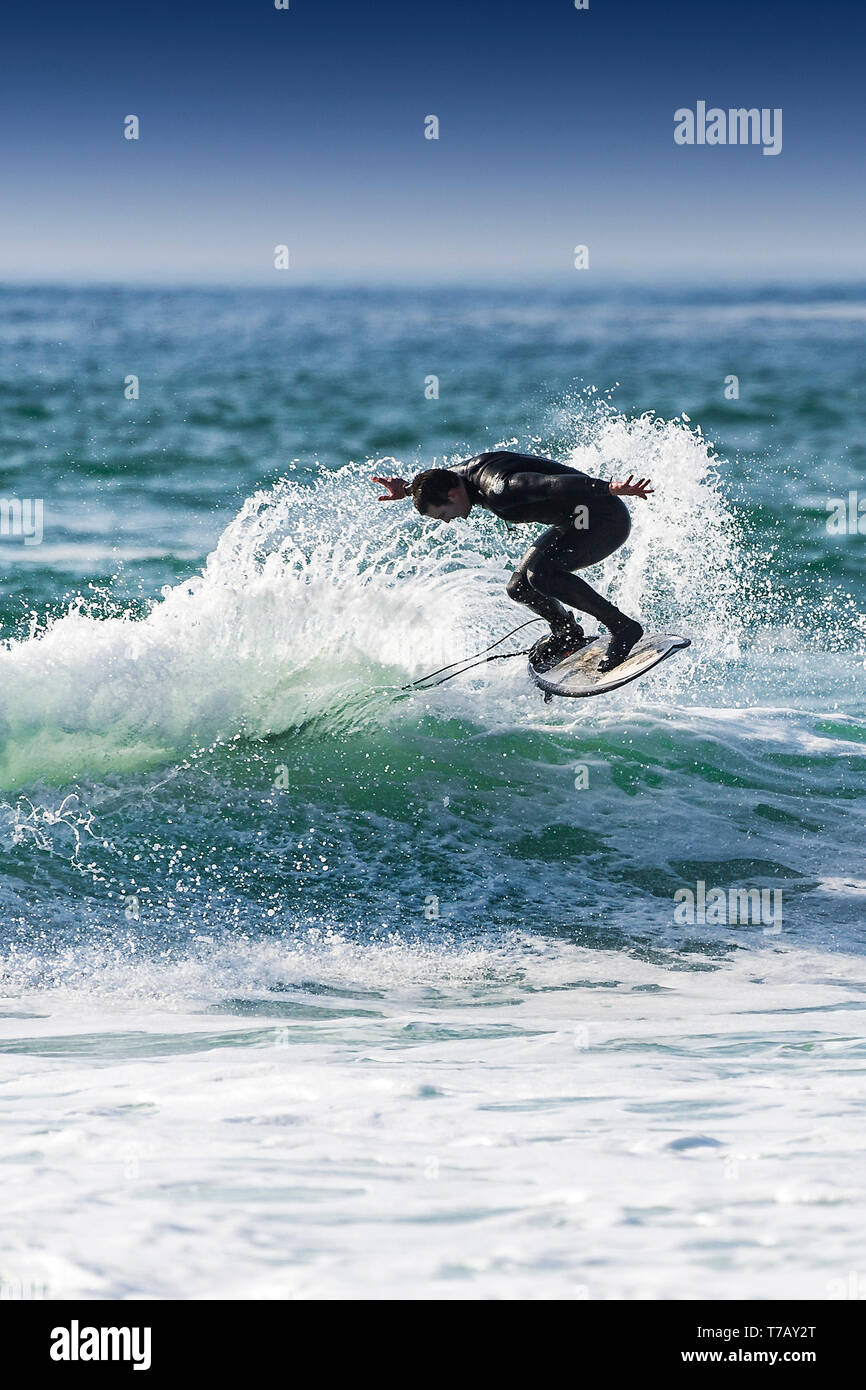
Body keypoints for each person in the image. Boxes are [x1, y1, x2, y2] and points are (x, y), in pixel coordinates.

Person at [373, 450, 652, 671]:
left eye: (442, 514)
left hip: (605, 520)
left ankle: (622, 627)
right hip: (574, 521)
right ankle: (566, 633)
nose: (447, 520)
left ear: (452, 495)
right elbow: (434, 481)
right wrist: (408, 489)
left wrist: (610, 487)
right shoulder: (454, 480)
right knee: (519, 587)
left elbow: (550, 485)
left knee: (541, 575)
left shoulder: (500, 489)